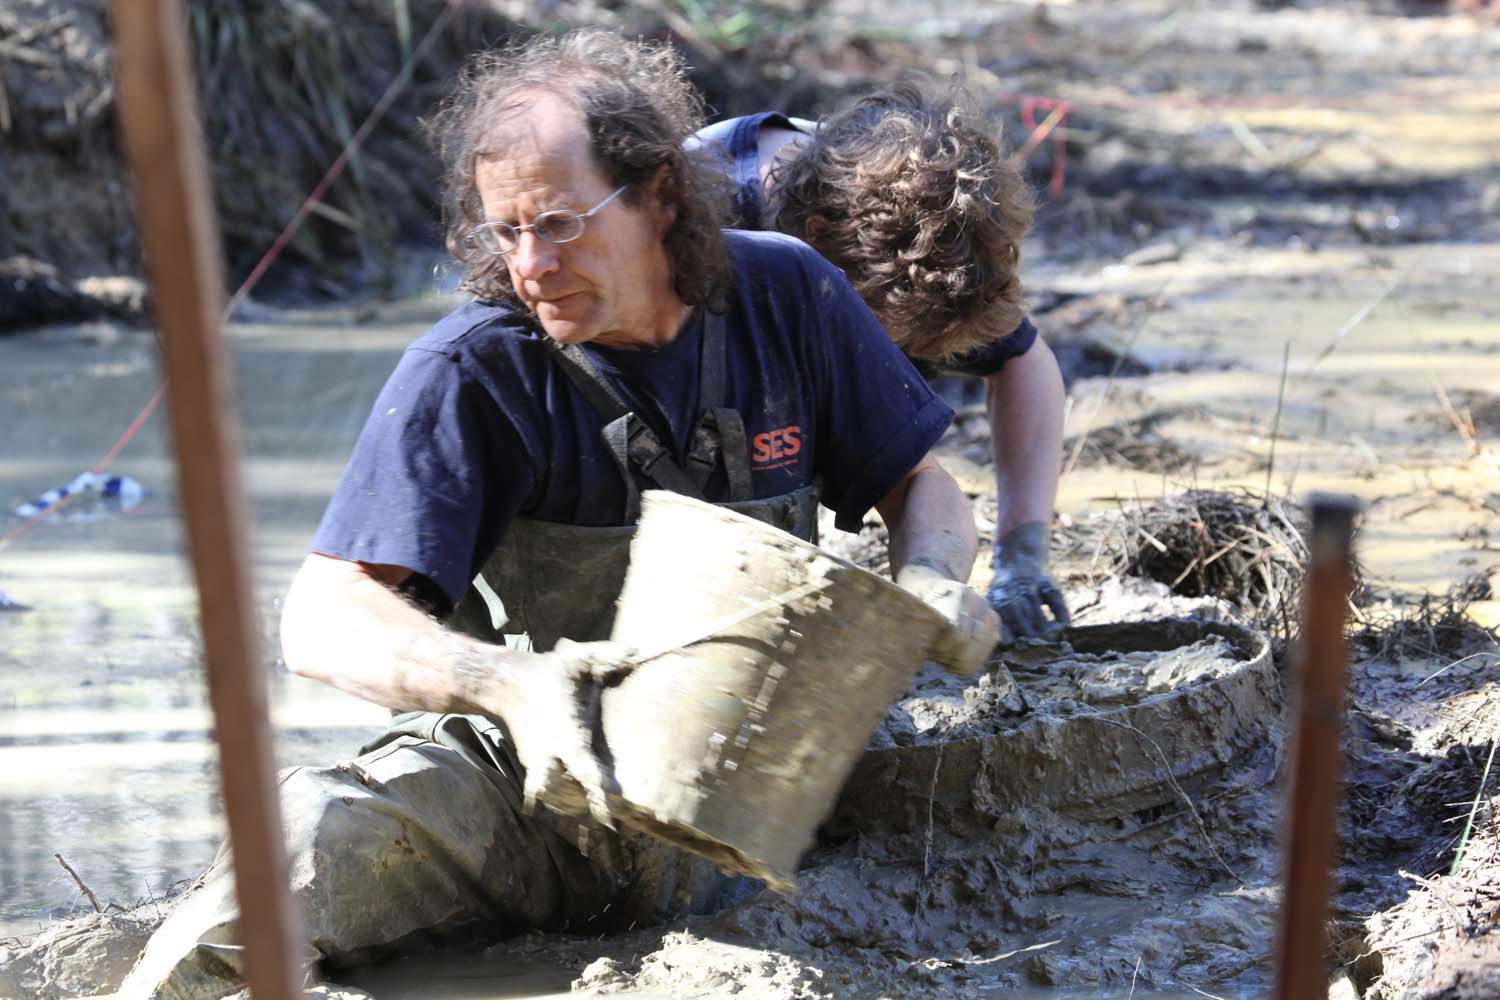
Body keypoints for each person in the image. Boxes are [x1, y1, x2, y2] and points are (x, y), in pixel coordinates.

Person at [121, 30, 998, 997]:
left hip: (767, 767)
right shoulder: (474, 370)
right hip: (537, 784)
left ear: (661, 194)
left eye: (562, 223)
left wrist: (929, 580)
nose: (533, 264)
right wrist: (506, 682)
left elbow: (924, 485)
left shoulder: (787, 293)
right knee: (301, 848)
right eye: (508, 232)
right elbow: (320, 617)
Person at [693, 86, 1072, 641]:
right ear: (818, 240)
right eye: (891, 337)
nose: (888, 357)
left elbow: (1024, 363)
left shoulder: (932, 237)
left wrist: (1022, 557)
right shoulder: (695, 214)